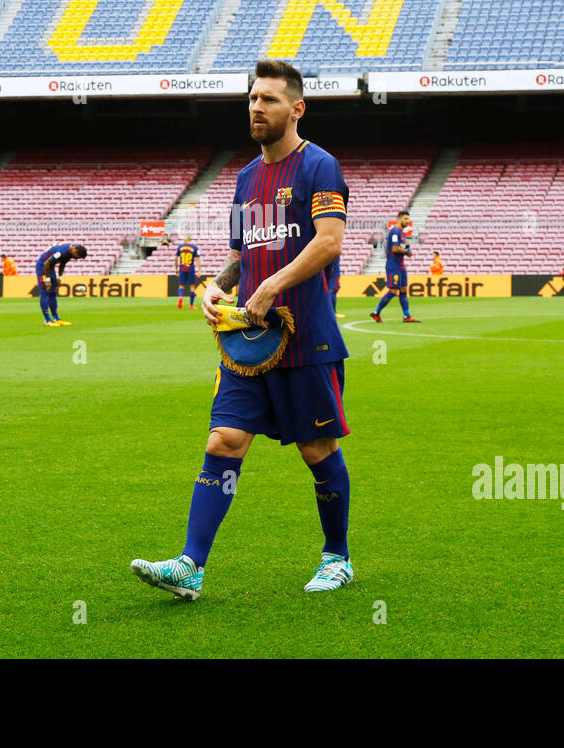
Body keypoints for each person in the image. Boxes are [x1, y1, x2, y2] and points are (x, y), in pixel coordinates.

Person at [130, 59, 353, 599]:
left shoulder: (320, 167)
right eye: (253, 99)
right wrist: (216, 284)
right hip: (247, 340)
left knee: (316, 451)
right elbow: (240, 254)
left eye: (269, 100)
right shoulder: (246, 178)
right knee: (224, 440)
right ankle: (190, 565)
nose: (257, 107)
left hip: (307, 338)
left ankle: (336, 557)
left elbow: (329, 242)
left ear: (296, 109)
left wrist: (273, 285)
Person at [370, 210, 419, 323]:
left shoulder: (402, 234)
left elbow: (402, 248)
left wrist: (407, 250)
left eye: (408, 219)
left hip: (400, 266)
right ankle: (376, 312)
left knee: (403, 290)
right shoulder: (395, 232)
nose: (407, 221)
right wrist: (407, 252)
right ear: (399, 219)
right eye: (405, 219)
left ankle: (407, 316)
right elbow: (395, 249)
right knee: (393, 291)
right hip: (393, 266)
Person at [37, 242, 86, 326]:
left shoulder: (70, 253)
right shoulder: (62, 252)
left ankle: (56, 318)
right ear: (75, 251)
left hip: (50, 267)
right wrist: (47, 280)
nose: (76, 258)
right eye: (77, 256)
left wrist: (59, 278)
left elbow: (63, 264)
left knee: (53, 292)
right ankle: (47, 320)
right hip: (43, 266)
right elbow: (46, 263)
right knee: (45, 291)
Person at [175, 235, 201, 309]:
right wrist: (199, 270)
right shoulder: (194, 248)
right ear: (190, 239)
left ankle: (180, 297)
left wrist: (176, 268)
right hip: (190, 268)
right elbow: (198, 259)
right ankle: (191, 305)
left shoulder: (180, 247)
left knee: (181, 285)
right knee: (192, 286)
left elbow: (176, 258)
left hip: (182, 267)